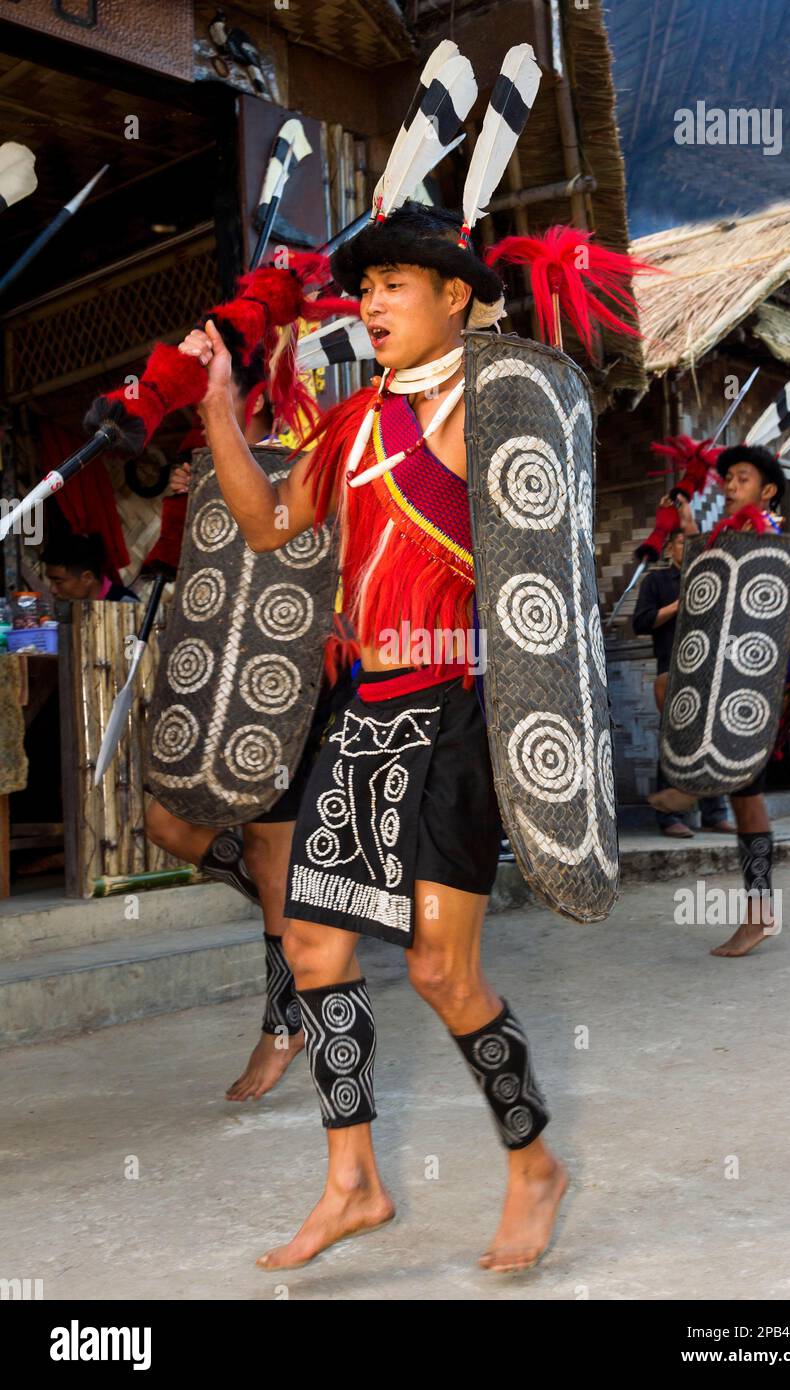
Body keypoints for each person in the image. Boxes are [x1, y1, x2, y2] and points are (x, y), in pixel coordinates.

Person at [177, 201, 568, 1274]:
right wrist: (218, 405)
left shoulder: (498, 408)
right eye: (366, 286)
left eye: (398, 284)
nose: (373, 302)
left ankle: (531, 1160)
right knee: (313, 946)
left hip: (460, 714)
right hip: (364, 714)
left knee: (444, 973)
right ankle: (352, 1179)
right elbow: (269, 527)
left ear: (455, 296)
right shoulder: (347, 428)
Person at [144, 363, 356, 1101]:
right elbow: (189, 569)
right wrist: (183, 506)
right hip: (221, 682)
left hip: (295, 675)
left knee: (271, 855)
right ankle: (298, 905)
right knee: (165, 819)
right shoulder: (210, 463)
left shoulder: (318, 455)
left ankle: (282, 1021)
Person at [650, 444, 790, 957]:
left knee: (746, 797)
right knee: (748, 804)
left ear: (767, 490)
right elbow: (708, 579)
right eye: (727, 477)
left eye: (742, 478)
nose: (731, 486)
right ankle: (761, 913)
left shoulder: (766, 535)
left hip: (755, 684)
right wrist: (687, 524)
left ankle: (693, 785)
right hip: (736, 680)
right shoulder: (733, 534)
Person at [633, 526, 735, 838]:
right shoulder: (657, 581)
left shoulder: (713, 578)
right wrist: (681, 603)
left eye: (694, 544)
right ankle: (669, 817)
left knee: (710, 739)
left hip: (710, 671)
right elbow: (641, 622)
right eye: (681, 542)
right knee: (674, 739)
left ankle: (714, 813)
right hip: (672, 670)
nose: (687, 548)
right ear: (668, 549)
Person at [42, 531, 139, 602]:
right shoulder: (72, 606)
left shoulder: (126, 606)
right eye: (51, 582)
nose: (52, 590)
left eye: (58, 582)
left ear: (87, 578)